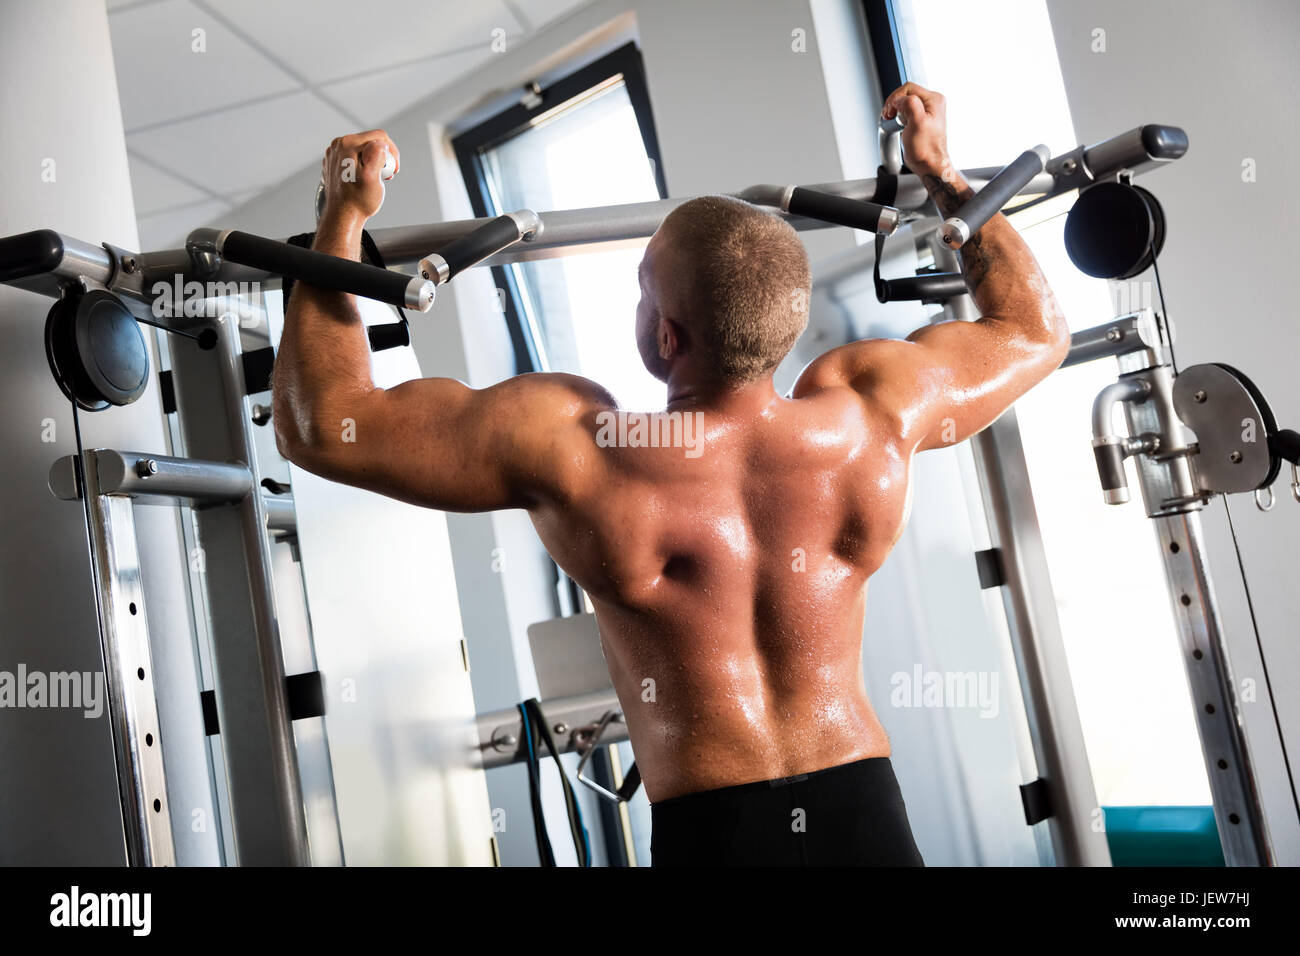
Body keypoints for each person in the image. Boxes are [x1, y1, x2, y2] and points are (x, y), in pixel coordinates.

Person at [272, 82, 1069, 866]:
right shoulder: (871, 416)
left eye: (644, 288)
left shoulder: (578, 448)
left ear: (666, 337)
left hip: (712, 832)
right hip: (865, 815)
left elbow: (325, 427)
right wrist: (944, 177)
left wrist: (340, 216)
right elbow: (1034, 330)